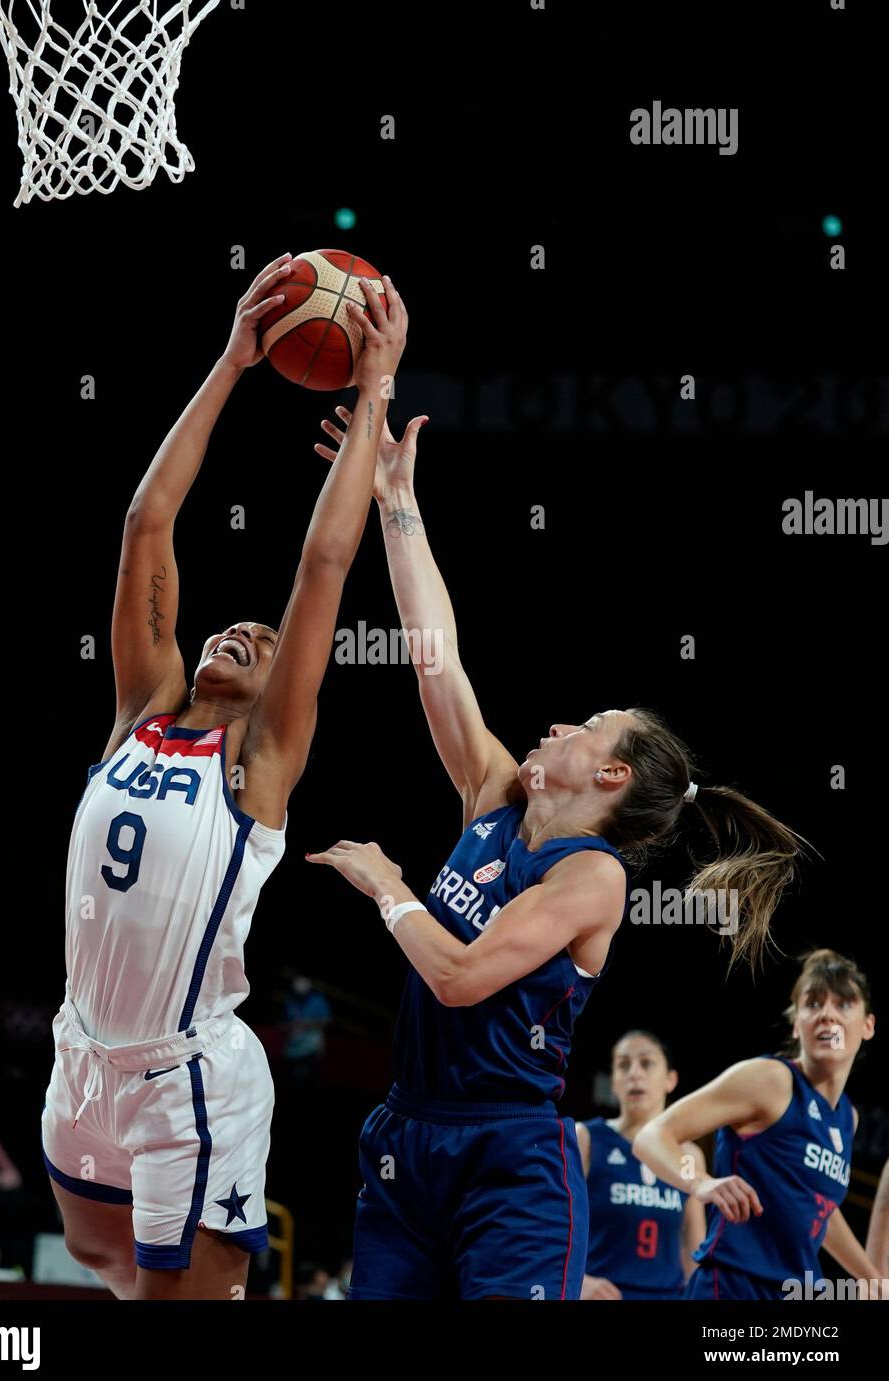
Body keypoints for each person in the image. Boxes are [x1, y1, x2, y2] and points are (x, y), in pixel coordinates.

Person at [305, 405, 807, 1300]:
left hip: (510, 1157)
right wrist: (394, 498)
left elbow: (459, 977)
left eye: (588, 724)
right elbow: (433, 659)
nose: (560, 722)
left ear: (611, 774)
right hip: (407, 1134)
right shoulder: (494, 794)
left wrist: (388, 886)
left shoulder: (593, 878)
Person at [41, 257, 408, 1300]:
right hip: (81, 1055)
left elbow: (320, 570)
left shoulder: (255, 767)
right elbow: (143, 526)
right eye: (232, 624)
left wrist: (374, 386)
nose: (246, 629)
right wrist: (233, 361)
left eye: (261, 637)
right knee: (96, 1260)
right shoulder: (140, 714)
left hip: (185, 1078)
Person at [634, 948, 881, 1299]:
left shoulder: (847, 1118)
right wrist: (700, 1183)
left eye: (843, 1004)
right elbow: (652, 1136)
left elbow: (817, 1206)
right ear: (797, 1024)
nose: (827, 1015)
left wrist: (870, 1277)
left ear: (868, 1025)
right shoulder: (771, 1080)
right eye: (812, 1004)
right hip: (734, 1285)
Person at [578, 1031, 705, 1300]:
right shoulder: (586, 1138)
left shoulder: (688, 1155)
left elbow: (695, 1249)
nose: (634, 1073)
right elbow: (553, 1225)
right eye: (623, 1065)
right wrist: (578, 1281)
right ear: (614, 1082)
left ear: (671, 1080)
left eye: (646, 1063)